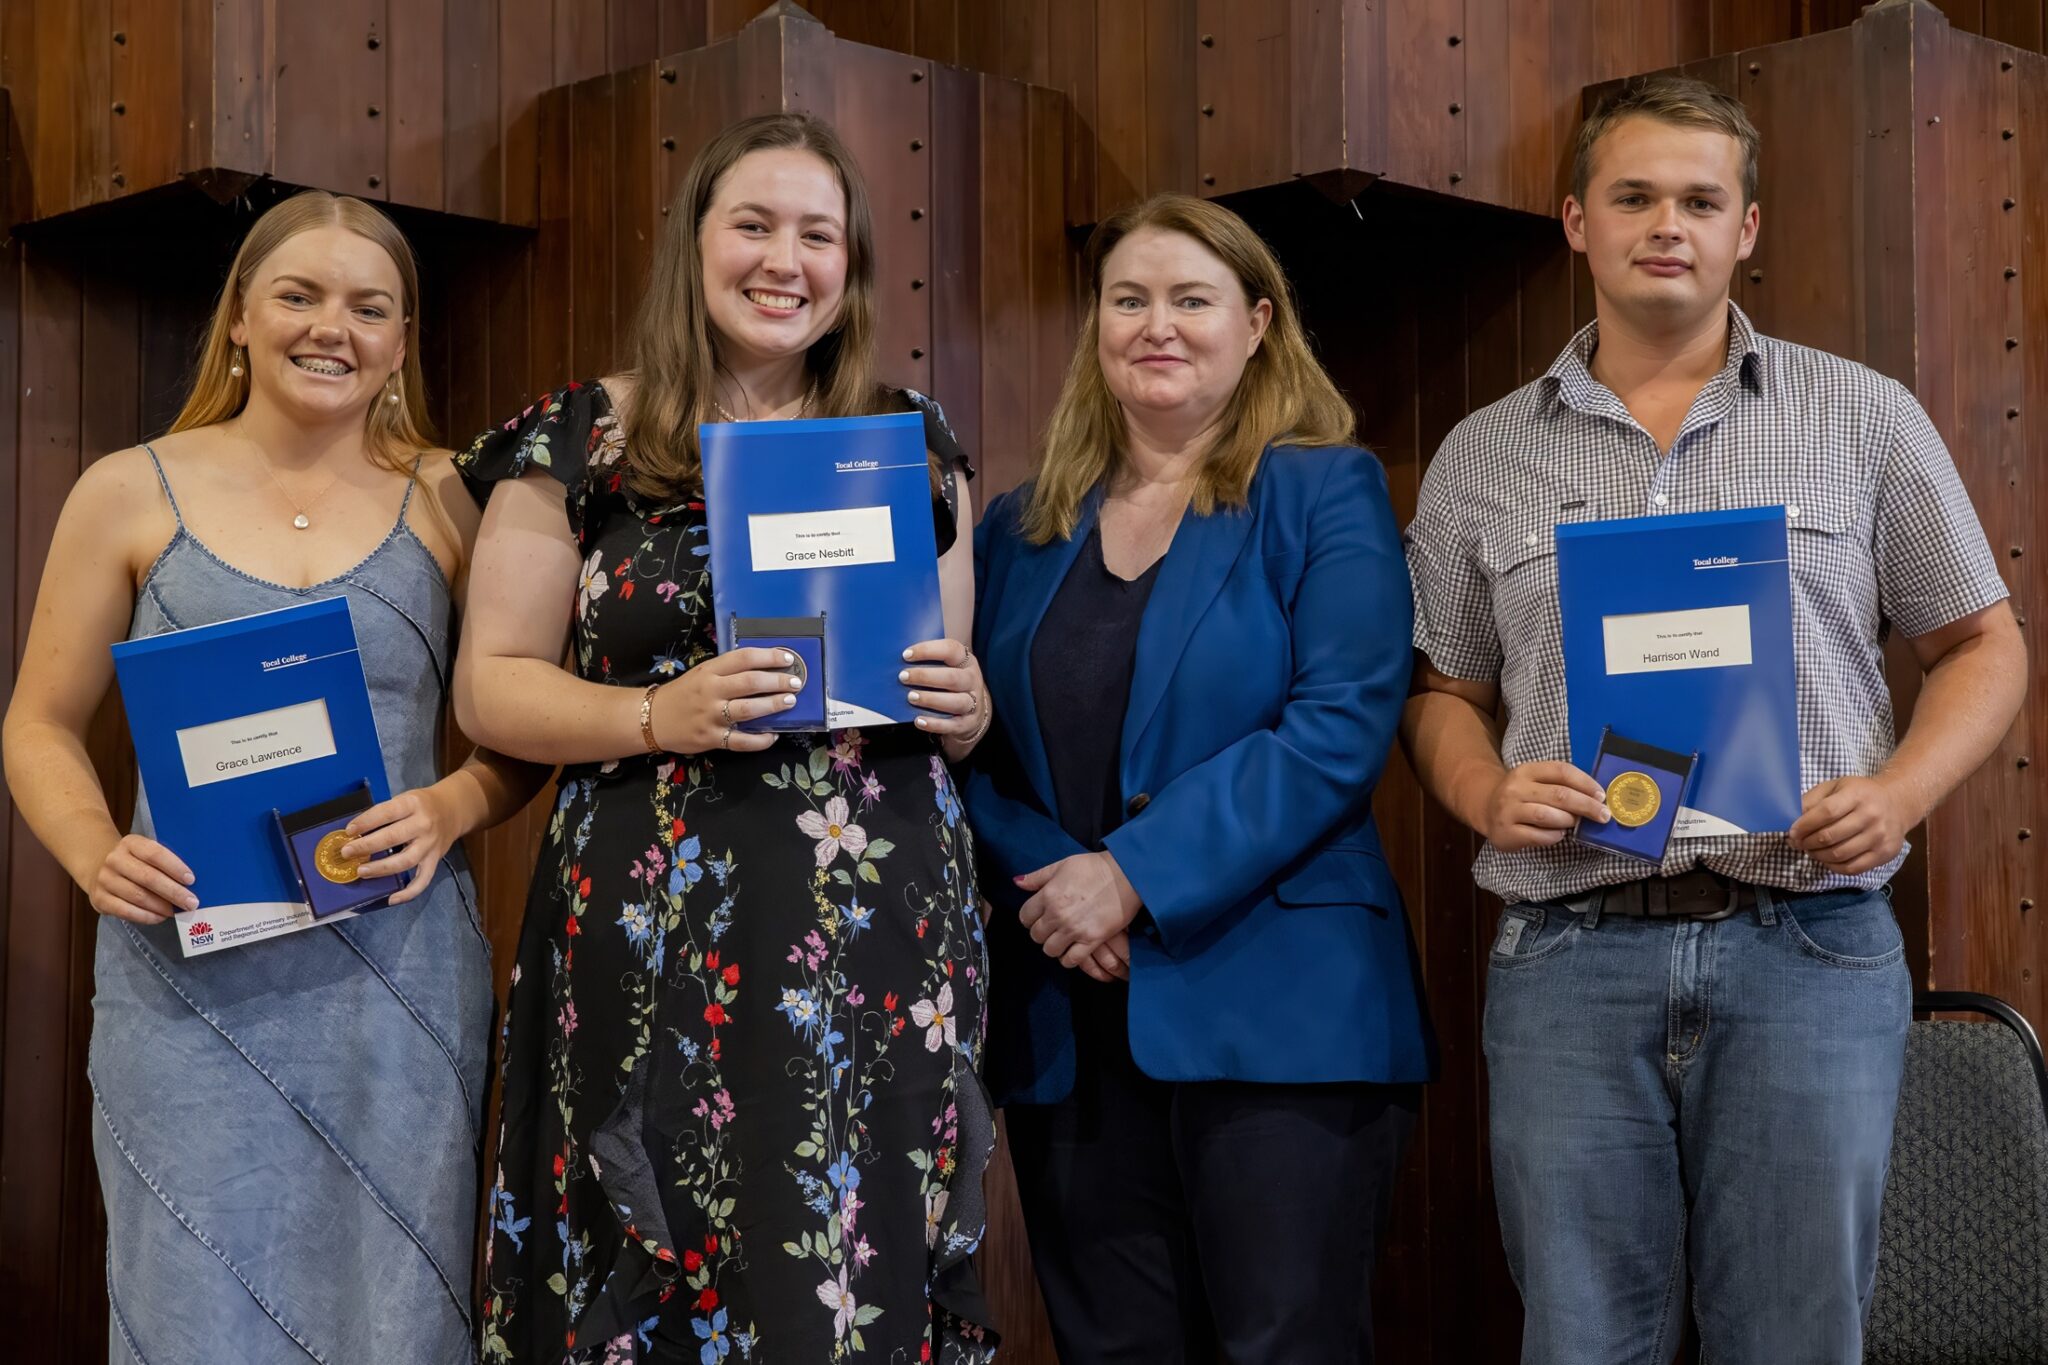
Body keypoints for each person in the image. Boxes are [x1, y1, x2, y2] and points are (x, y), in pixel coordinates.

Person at [1400, 75, 2027, 1365]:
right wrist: (1477, 791)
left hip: (1805, 941)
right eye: (1632, 196)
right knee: (1578, 1342)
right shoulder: (1479, 453)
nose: (1664, 225)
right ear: (1575, 220)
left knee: (1796, 1339)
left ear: (1746, 228)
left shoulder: (1862, 418)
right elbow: (1443, 695)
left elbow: (1981, 644)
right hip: (1568, 951)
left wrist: (1898, 794)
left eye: (1699, 199)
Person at [452, 112, 998, 1365]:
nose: (784, 260)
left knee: (847, 1267)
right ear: (692, 242)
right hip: (653, 931)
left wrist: (963, 708)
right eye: (752, 224)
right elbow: (489, 689)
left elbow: (939, 697)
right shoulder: (579, 439)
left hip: (875, 926)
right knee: (651, 1262)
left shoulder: (912, 447)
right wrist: (655, 714)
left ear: (852, 264)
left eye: (819, 234)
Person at [0, 190, 542, 1363]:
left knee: (395, 1305)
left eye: (369, 307)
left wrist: (451, 806)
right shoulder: (127, 490)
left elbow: (517, 733)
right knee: (189, 1304)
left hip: (393, 984)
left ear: (402, 341)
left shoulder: (458, 498)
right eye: (297, 295)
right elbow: (38, 725)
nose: (329, 327)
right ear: (240, 317)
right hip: (186, 983)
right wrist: (94, 851)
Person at [966, 192, 1431, 1363]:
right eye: (1129, 300)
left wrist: (1127, 876)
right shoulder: (1019, 528)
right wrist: (1058, 893)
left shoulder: (1323, 489)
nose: (1155, 324)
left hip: (1283, 1012)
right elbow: (962, 746)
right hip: (1068, 1006)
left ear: (1257, 323)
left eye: (1190, 300)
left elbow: (1338, 725)